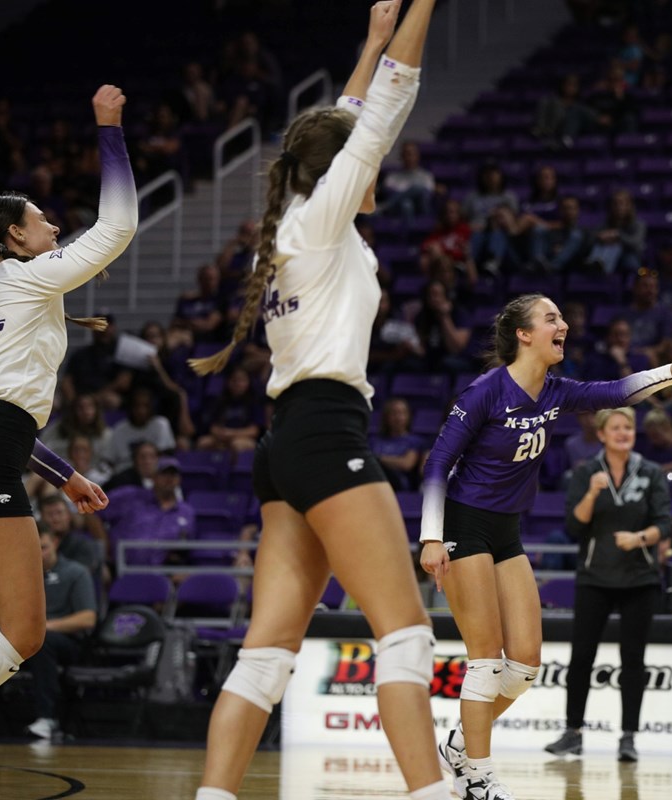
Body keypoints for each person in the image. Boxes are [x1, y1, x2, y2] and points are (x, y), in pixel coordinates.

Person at [187, 5, 451, 800]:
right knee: (405, 637)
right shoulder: (327, 224)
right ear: (341, 173)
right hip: (328, 434)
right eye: (363, 164)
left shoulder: (299, 224)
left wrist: (370, 41)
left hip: (285, 446)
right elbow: (386, 107)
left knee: (265, 653)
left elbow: (340, 123)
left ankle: (213, 797)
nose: (377, 171)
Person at [418, 294, 672, 799]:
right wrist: (429, 537)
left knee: (525, 665)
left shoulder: (555, 391)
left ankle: (463, 741)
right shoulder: (484, 392)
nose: (565, 325)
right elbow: (436, 465)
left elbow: (618, 391)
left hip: (506, 529)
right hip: (463, 524)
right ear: (524, 335)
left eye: (562, 317)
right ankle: (476, 777)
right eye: (551, 318)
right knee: (486, 660)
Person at [0, 85, 129, 799]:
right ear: (14, 236)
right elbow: (116, 229)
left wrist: (63, 474)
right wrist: (108, 129)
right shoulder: (23, 281)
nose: (54, 225)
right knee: (22, 636)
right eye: (43, 219)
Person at [544, 407, 672, 762]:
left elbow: (666, 523)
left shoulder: (650, 473)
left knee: (633, 659)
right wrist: (590, 494)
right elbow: (573, 526)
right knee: (581, 657)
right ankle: (573, 733)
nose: (622, 432)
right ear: (601, 435)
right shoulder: (585, 472)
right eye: (615, 427)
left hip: (640, 579)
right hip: (594, 577)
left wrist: (640, 538)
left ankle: (628, 737)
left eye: (627, 427)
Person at [24, 525, 98, 740]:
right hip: (26, 639)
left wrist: (45, 626)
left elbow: (87, 619)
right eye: (34, 548)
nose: (39, 553)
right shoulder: (22, 574)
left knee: (42, 641)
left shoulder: (75, 572)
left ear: (55, 543)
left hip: (69, 642)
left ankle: (46, 717)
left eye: (44, 547)